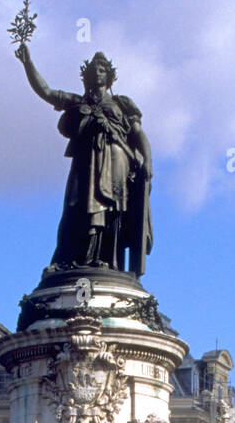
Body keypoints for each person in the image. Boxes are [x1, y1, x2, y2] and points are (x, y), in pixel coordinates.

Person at [15, 45, 153, 275]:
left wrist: (148, 160)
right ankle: (73, 258)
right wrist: (28, 63)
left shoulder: (122, 104)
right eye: (93, 70)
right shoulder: (78, 103)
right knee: (76, 205)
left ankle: (107, 261)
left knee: (111, 212)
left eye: (101, 70)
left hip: (117, 162)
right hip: (86, 163)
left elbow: (138, 135)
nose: (97, 73)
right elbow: (46, 91)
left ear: (109, 75)